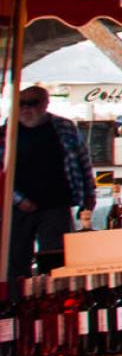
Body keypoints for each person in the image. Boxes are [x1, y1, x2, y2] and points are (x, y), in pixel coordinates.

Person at [4, 86, 96, 277]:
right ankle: (16, 301)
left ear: (46, 103)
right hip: (17, 207)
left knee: (56, 261)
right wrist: (18, 199)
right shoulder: (6, 132)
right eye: (21, 103)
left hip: (56, 203)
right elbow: (1, 172)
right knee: (16, 261)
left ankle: (55, 301)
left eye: (33, 103)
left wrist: (89, 193)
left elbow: (83, 160)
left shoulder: (64, 127)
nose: (26, 108)